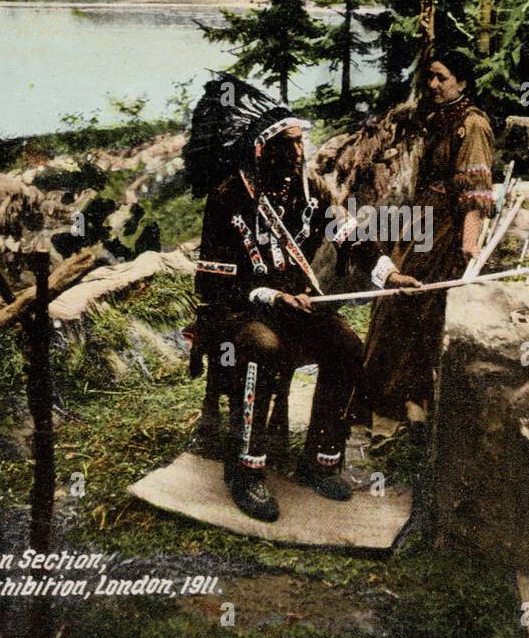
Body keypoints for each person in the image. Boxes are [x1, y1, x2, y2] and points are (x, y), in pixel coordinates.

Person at [185, 74, 419, 522]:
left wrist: (388, 274)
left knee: (347, 347)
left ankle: (319, 461)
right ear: (261, 150)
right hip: (235, 311)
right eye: (287, 145)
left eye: (299, 143)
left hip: (294, 305)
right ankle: (245, 472)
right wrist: (271, 297)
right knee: (261, 347)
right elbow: (212, 287)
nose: (297, 153)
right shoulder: (229, 198)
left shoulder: (308, 189)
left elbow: (350, 236)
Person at [360, 50, 495, 442]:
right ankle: (393, 404)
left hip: (447, 229)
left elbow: (476, 191)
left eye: (442, 78)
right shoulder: (439, 119)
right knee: (394, 302)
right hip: (422, 223)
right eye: (431, 77)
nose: (433, 85)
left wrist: (469, 245)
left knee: (415, 310)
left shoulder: (471, 126)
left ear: (463, 82)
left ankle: (410, 406)